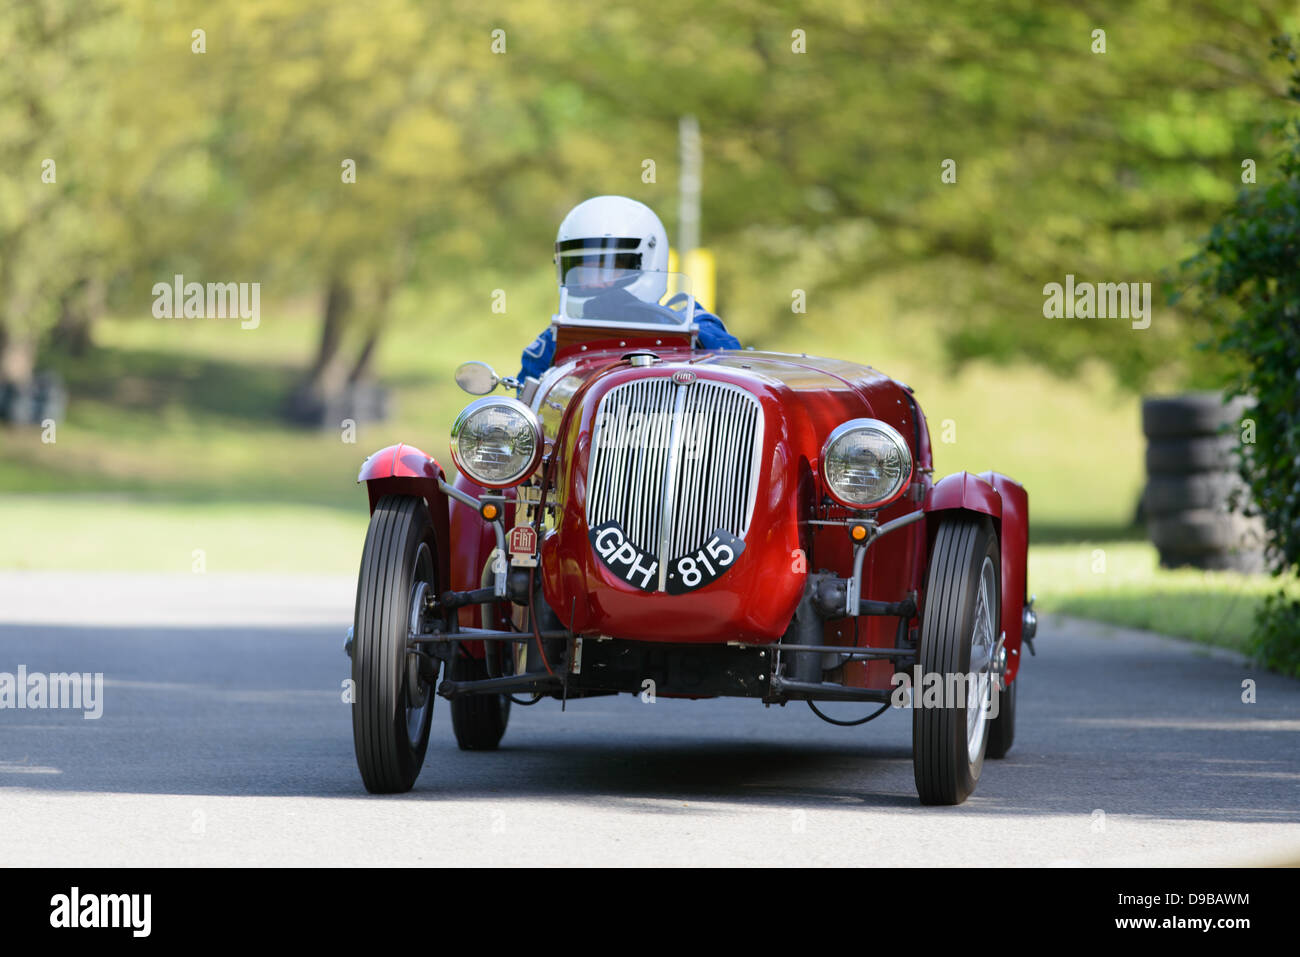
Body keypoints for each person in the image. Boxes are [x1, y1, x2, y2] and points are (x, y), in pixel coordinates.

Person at [518, 196, 740, 381]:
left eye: (608, 269)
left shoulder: (688, 322)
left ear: (649, 263)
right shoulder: (554, 341)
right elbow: (526, 407)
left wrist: (647, 318)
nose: (595, 282)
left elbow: (730, 356)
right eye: (583, 271)